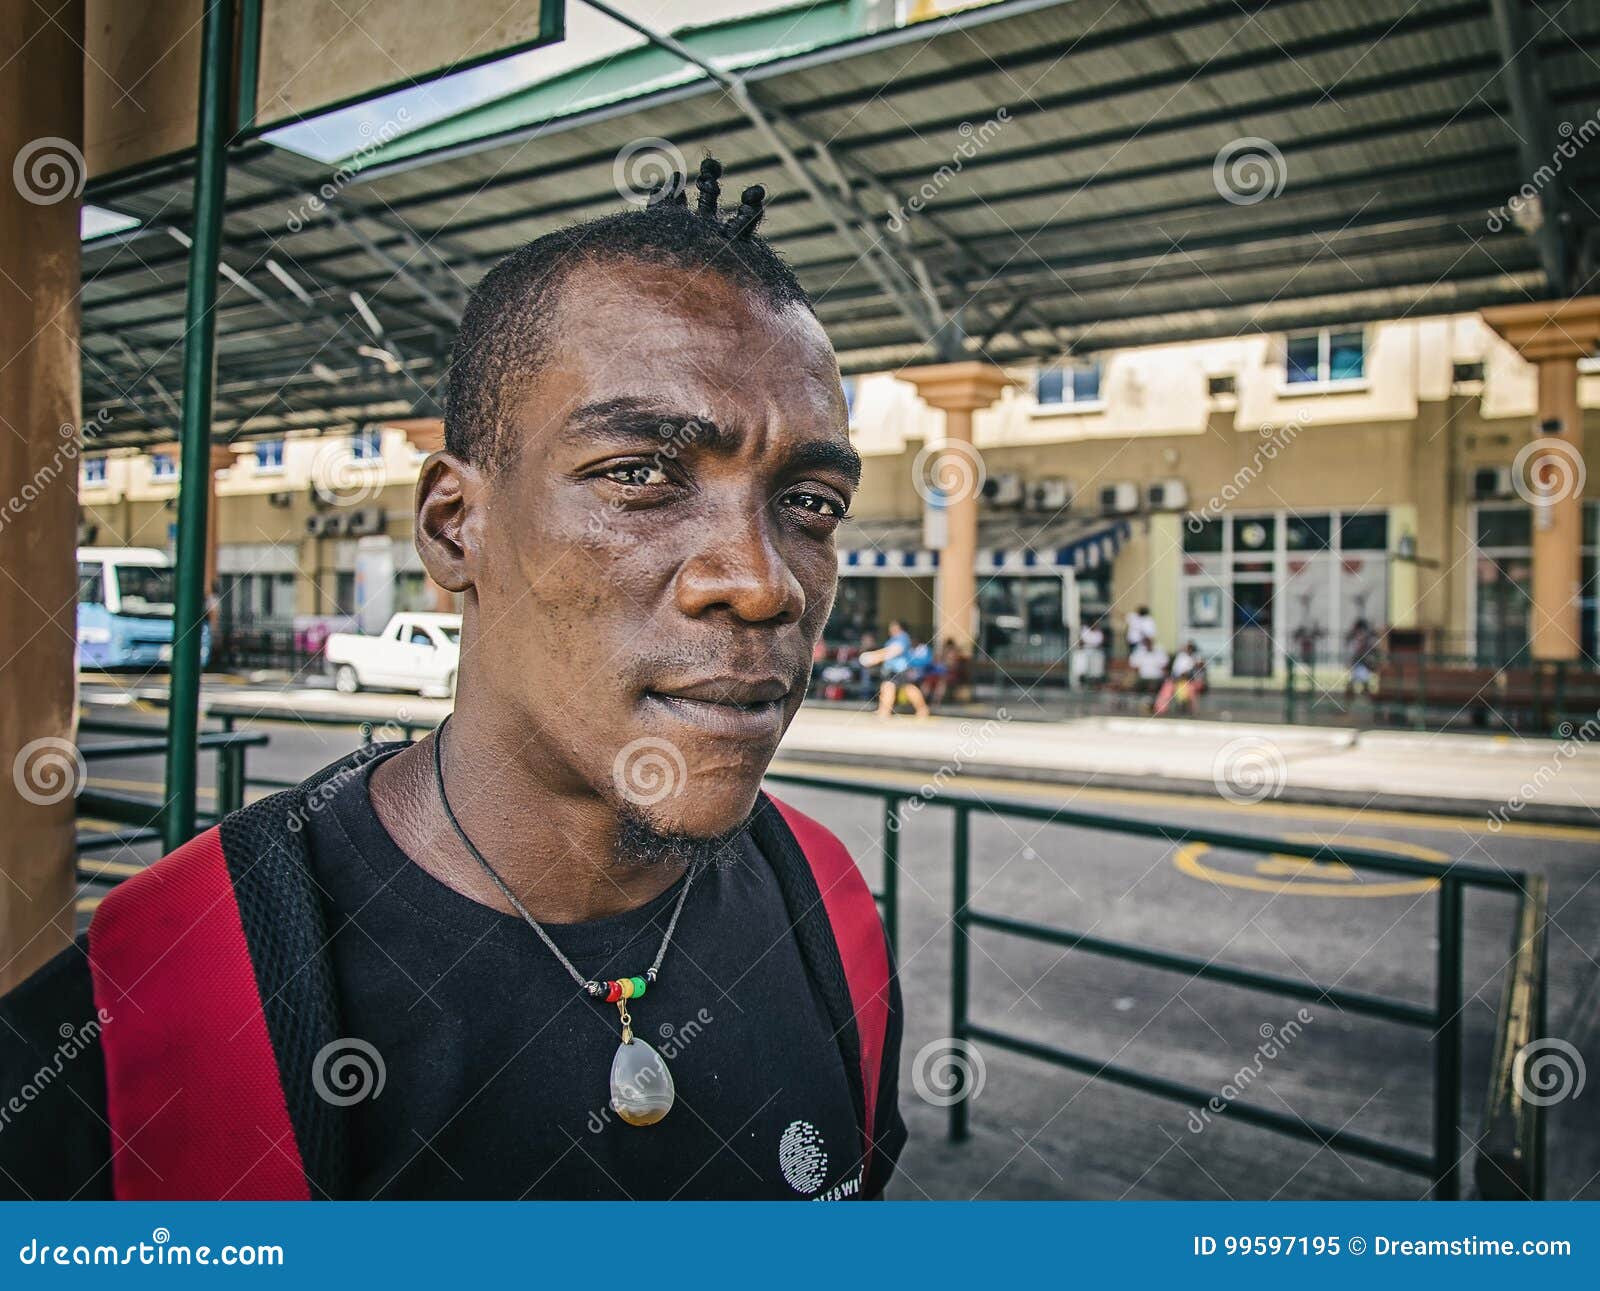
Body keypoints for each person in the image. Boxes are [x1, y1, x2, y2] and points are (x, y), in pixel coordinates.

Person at [0, 158, 905, 1201]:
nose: (759, 583)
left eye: (811, 502)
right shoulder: (159, 1002)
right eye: (640, 475)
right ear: (452, 527)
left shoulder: (831, 910)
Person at [858, 619, 931, 718]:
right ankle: (884, 711)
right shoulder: (894, 639)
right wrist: (875, 656)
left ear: (899, 627)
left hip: (900, 669)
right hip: (892, 669)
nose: (890, 628)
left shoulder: (902, 637)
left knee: (908, 689)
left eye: (893, 626)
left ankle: (922, 710)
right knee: (888, 687)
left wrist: (875, 657)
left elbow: (895, 651)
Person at [1072, 618, 1106, 688]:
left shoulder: (1099, 632)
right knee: (1082, 664)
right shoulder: (1084, 630)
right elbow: (1081, 642)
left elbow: (1100, 643)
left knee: (1095, 667)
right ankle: (1082, 681)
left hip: (1095, 652)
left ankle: (1093, 682)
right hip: (1085, 650)